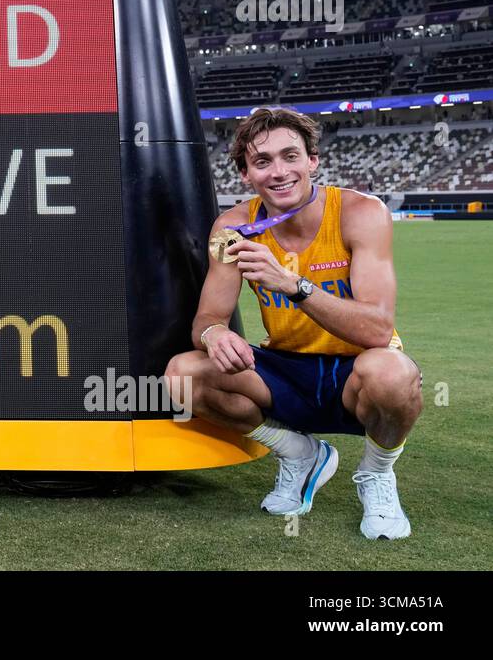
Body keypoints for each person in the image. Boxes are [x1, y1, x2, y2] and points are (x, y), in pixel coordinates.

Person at [167, 107, 422, 539]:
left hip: (356, 372)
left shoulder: (361, 212)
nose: (279, 172)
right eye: (262, 162)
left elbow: (378, 331)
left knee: (393, 372)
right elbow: (207, 318)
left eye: (290, 156)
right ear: (246, 174)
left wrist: (291, 284)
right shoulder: (234, 227)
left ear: (313, 161)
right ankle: (301, 454)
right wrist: (214, 335)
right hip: (285, 368)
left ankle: (377, 474)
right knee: (182, 375)